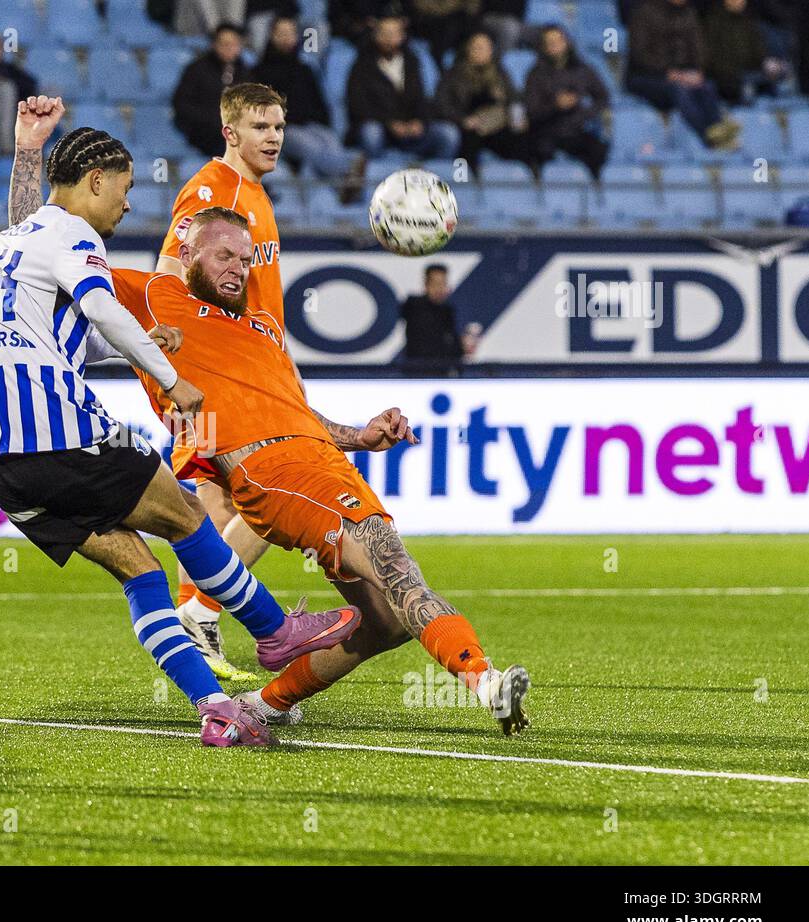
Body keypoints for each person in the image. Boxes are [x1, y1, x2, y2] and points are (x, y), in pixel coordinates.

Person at [0, 99, 361, 746]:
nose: (128, 207)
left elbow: (76, 334)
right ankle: (276, 632)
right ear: (96, 181)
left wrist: (26, 149)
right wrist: (170, 377)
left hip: (2, 459)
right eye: (125, 190)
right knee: (187, 516)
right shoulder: (77, 236)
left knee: (141, 571)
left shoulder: (14, 240)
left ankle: (216, 708)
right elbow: (102, 308)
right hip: (57, 430)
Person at [111, 207, 530, 735]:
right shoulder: (154, 297)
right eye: (224, 256)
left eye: (245, 259)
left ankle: (265, 704)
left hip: (323, 460)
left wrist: (359, 435)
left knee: (385, 621)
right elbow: (46, 257)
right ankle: (484, 680)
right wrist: (30, 149)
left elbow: (297, 410)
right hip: (271, 469)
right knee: (392, 562)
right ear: (187, 255)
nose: (239, 269)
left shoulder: (263, 326)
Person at [156, 82, 290, 680]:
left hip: (251, 370)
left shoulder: (255, 194)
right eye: (261, 128)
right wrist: (185, 364)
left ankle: (200, 630)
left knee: (215, 507)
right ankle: (199, 610)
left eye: (280, 128)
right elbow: (169, 271)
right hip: (227, 376)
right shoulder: (215, 189)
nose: (274, 139)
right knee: (278, 505)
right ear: (230, 132)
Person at [253, 15, 363, 199]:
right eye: (282, 33)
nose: (287, 38)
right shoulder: (260, 71)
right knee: (312, 149)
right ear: (272, 36)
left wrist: (321, 123)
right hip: (283, 130)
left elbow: (319, 103)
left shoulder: (305, 69)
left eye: (290, 33)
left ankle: (343, 190)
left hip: (311, 125)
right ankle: (347, 170)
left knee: (331, 142)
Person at [626, 0, 739, 150]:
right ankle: (709, 137)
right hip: (645, 77)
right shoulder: (644, 12)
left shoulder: (689, 13)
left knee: (706, 87)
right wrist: (670, 73)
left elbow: (698, 49)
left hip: (682, 75)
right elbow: (640, 55)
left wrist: (697, 71)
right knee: (679, 90)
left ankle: (719, 129)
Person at [346, 14, 459, 159]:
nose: (389, 39)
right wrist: (389, 123)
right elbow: (357, 106)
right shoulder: (361, 66)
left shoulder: (413, 62)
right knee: (371, 132)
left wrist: (419, 122)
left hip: (412, 131)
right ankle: (375, 176)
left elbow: (422, 99)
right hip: (382, 130)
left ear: (402, 36)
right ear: (375, 36)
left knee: (448, 133)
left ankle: (434, 176)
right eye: (384, 33)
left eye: (393, 33)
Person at [435, 30, 535, 175]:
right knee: (468, 142)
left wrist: (517, 117)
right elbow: (442, 105)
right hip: (468, 126)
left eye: (486, 48)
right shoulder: (453, 74)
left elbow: (513, 99)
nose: (482, 51)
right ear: (468, 49)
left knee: (522, 139)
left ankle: (526, 182)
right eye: (477, 47)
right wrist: (463, 120)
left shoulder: (500, 73)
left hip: (496, 125)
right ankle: (465, 182)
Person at [524, 25, 610, 179]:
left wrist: (584, 113)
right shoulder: (535, 74)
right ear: (543, 47)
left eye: (559, 40)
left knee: (598, 149)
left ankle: (596, 194)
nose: (555, 45)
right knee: (535, 151)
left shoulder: (582, 69)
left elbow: (603, 97)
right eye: (550, 42)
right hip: (546, 131)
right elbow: (532, 110)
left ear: (567, 42)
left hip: (575, 129)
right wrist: (555, 106)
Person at [172, 23, 252, 158]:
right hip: (204, 132)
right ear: (214, 44)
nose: (229, 48)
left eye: (233, 44)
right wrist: (212, 119)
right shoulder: (196, 70)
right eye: (224, 44)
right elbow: (182, 104)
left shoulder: (245, 73)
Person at [703, 0, 787, 104]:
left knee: (776, 75)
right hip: (726, 77)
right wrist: (732, 73)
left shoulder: (748, 19)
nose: (739, 2)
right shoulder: (713, 21)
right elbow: (712, 55)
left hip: (749, 71)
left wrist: (765, 61)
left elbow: (758, 47)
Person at [400, 264, 479, 374]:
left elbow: (453, 348)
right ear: (426, 285)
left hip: (441, 376)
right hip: (418, 376)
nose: (440, 288)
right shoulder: (414, 306)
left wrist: (462, 348)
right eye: (436, 284)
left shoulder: (447, 312)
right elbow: (429, 343)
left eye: (443, 283)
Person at [407, 0, 482, 71]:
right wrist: (452, 6)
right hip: (429, 22)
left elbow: (473, 7)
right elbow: (420, 5)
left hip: (458, 23)